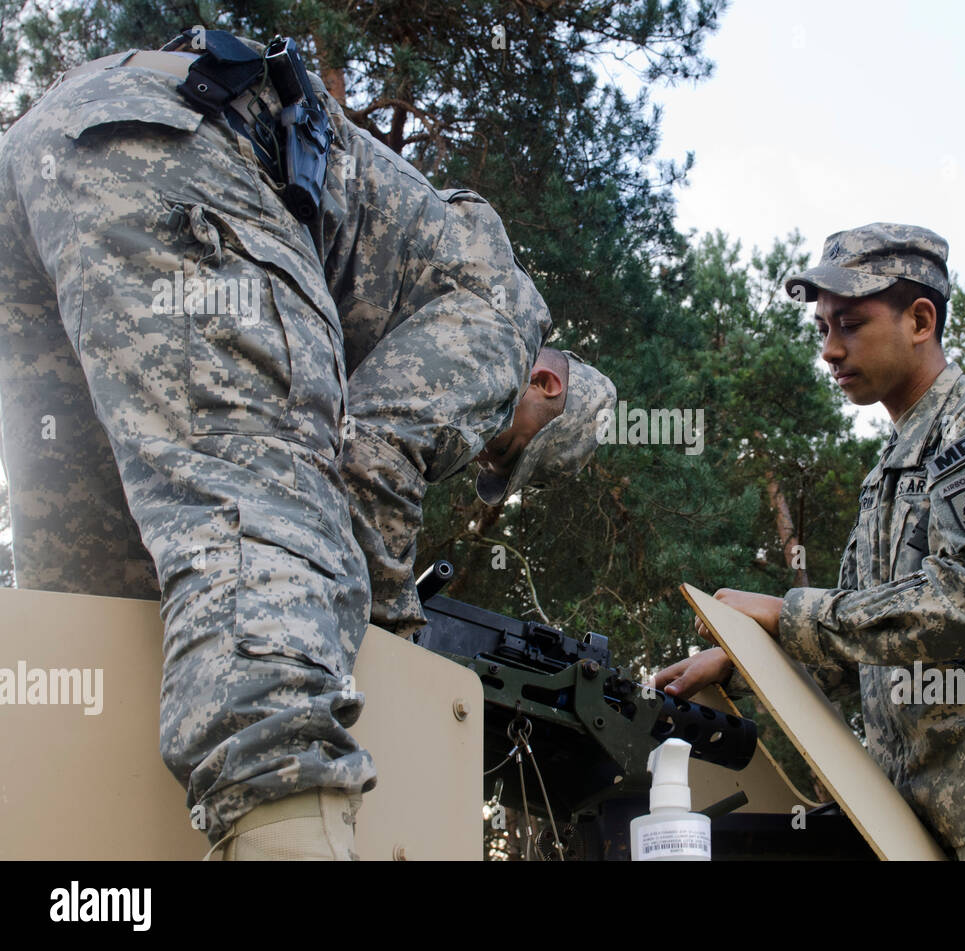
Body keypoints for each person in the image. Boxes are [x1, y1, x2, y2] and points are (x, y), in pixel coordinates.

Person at [0, 29, 614, 860]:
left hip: (54, 153)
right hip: (187, 150)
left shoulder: (429, 267)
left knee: (96, 614)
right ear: (546, 387)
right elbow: (372, 459)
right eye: (508, 450)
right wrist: (393, 652)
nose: (483, 454)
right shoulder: (504, 318)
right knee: (264, 512)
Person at [654, 223, 965, 860]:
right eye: (822, 328)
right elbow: (873, 641)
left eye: (851, 324)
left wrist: (791, 614)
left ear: (920, 321)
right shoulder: (892, 472)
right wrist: (748, 657)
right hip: (945, 830)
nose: (829, 351)